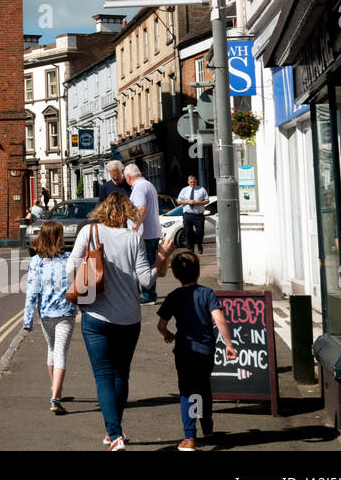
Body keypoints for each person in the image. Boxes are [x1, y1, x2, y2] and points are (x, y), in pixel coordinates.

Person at [68, 191, 173, 450]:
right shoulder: (133, 238)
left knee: (103, 376)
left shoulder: (89, 232)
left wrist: (86, 280)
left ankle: (114, 433)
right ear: (128, 212)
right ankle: (115, 431)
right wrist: (161, 257)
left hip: (95, 315)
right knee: (121, 375)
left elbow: (70, 269)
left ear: (102, 210)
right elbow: (146, 280)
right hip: (128, 318)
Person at [157, 249, 237, 451]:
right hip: (206, 351)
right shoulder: (207, 293)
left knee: (187, 390)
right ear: (198, 272)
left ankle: (189, 437)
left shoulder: (174, 296)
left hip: (185, 349)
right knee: (203, 387)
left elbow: (161, 324)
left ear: (175, 274)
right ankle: (207, 424)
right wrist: (229, 344)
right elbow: (219, 319)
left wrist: (167, 333)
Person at [23, 220, 76, 414]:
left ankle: (56, 390)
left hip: (45, 314)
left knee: (52, 350)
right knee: (60, 353)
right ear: (58, 237)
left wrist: (27, 320)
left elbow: (31, 292)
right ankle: (55, 398)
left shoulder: (36, 261)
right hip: (66, 313)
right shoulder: (69, 259)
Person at [123, 163, 162, 303]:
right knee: (148, 264)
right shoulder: (148, 185)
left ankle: (147, 296)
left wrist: (134, 228)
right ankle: (147, 294)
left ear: (129, 177)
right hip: (151, 232)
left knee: (141, 266)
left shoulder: (139, 187)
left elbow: (141, 209)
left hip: (144, 234)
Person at [177, 175, 210, 254]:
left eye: (194, 182)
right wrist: (187, 201)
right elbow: (179, 201)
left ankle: (199, 244)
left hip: (198, 215)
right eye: (191, 182)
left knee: (200, 232)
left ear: (196, 181)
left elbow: (207, 200)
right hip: (188, 215)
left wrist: (198, 202)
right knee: (188, 232)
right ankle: (190, 249)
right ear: (188, 182)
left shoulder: (201, 189)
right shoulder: (184, 190)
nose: (192, 183)